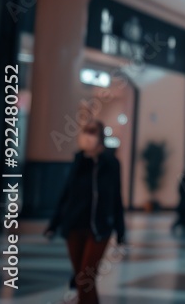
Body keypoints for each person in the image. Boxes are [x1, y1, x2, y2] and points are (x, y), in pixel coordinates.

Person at [44, 119, 126, 304]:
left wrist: (121, 231)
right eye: (86, 131)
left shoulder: (111, 164)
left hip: (100, 229)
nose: (88, 136)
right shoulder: (79, 161)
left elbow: (117, 198)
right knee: (83, 280)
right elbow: (66, 194)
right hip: (74, 226)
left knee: (86, 279)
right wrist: (54, 224)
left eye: (92, 132)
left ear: (100, 137)